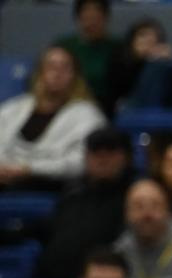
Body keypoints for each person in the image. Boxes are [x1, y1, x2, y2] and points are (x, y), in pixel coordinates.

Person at [35, 128, 133, 278]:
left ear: (126, 157)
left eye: (110, 152)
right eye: (95, 152)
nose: (102, 159)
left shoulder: (133, 198)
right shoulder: (72, 194)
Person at [0, 45, 105, 189]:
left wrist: (30, 169)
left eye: (65, 68)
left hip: (53, 185)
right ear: (40, 73)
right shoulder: (13, 108)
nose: (57, 73)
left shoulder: (88, 115)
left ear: (75, 75)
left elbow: (82, 162)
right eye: (51, 67)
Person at [55, 0, 128, 110]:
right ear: (78, 18)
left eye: (96, 18)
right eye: (87, 18)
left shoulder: (118, 47)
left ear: (105, 18)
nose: (91, 23)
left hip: (105, 106)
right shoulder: (64, 47)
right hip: (68, 104)